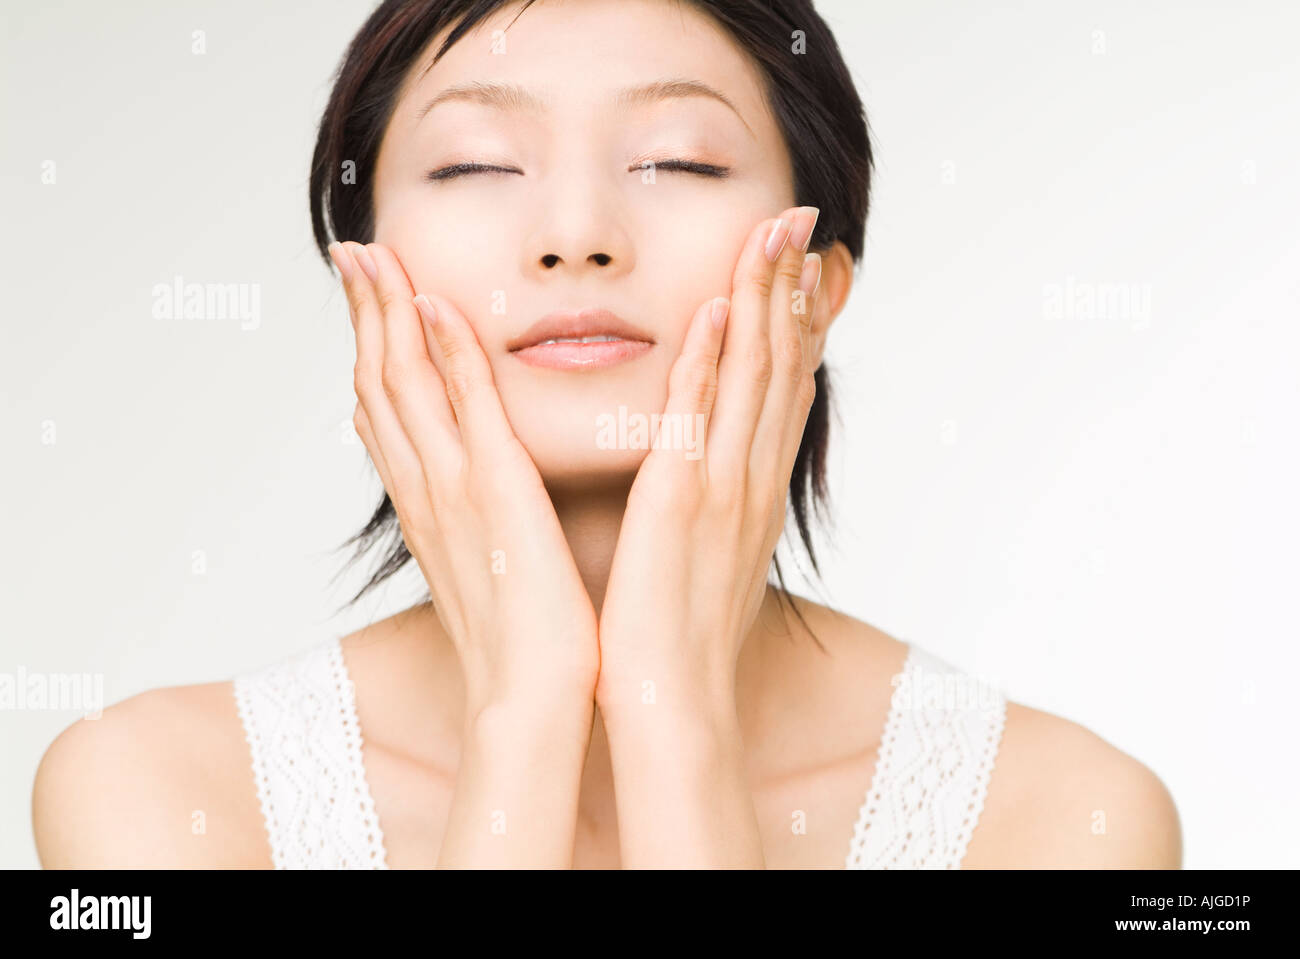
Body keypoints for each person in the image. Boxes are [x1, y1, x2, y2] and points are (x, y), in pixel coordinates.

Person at [32, 0, 1181, 869]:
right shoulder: (153, 795)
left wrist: (670, 709)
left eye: (678, 159)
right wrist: (522, 709)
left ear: (817, 287)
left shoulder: (1060, 818)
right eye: (475, 164)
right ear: (363, 279)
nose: (575, 234)